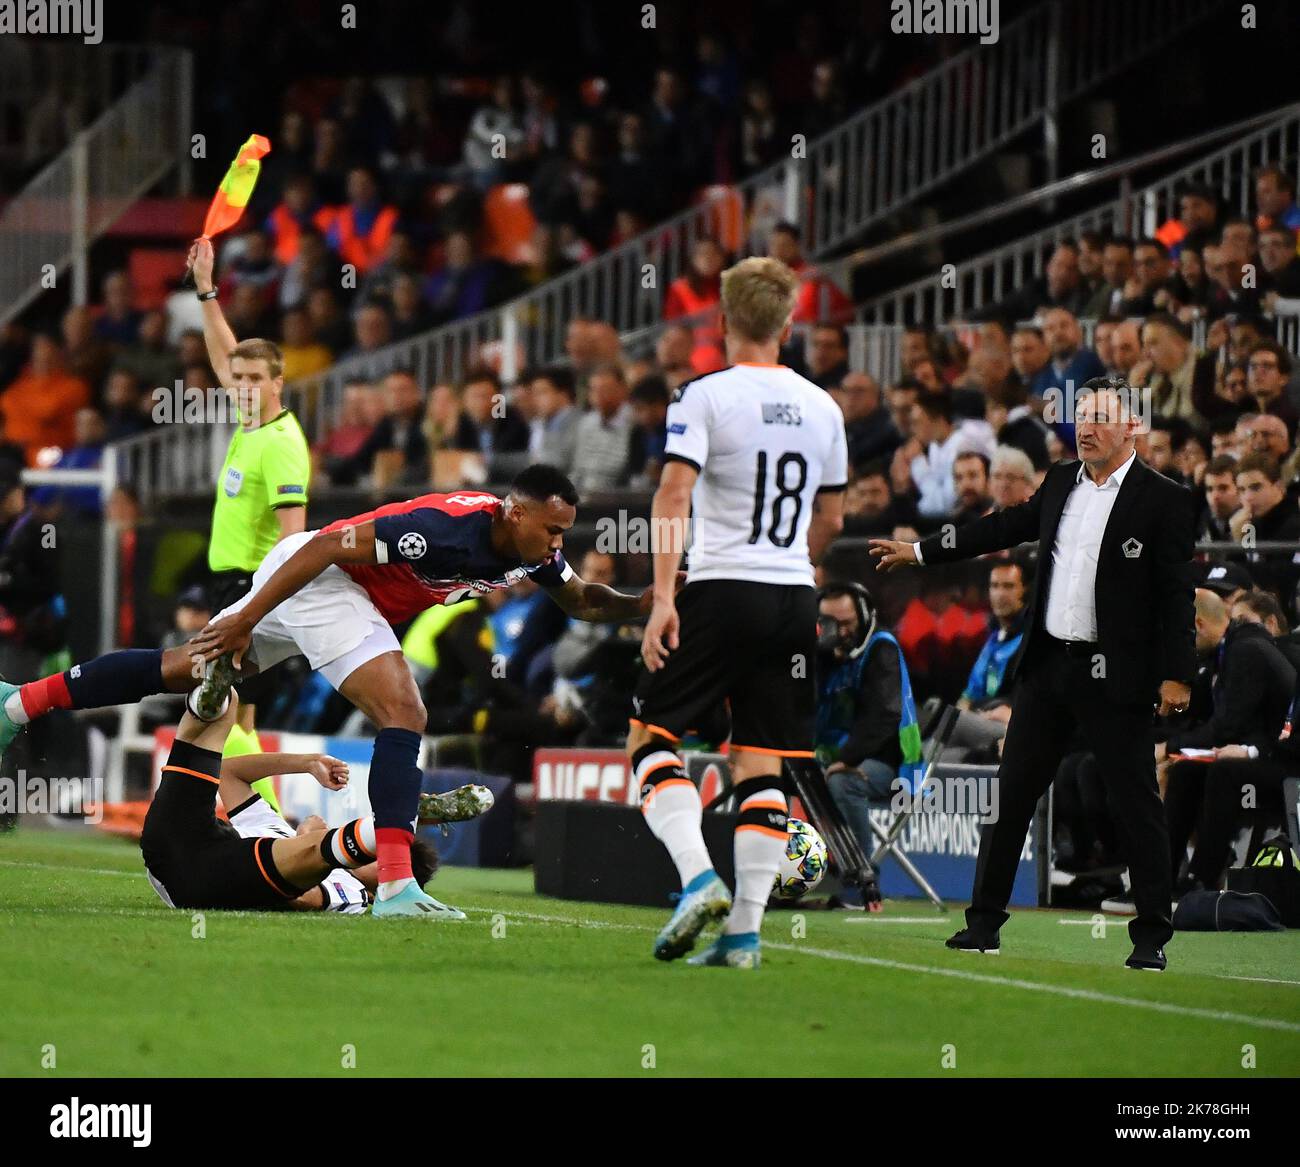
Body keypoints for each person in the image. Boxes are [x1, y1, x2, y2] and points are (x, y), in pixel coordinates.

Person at [0, 465, 661, 920]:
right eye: (551, 528)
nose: (558, 542)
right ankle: (398, 882)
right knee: (405, 709)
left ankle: (18, 703)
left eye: (562, 531)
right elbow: (323, 547)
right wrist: (251, 615)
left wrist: (642, 603)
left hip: (320, 590)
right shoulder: (444, 527)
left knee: (187, 667)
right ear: (514, 512)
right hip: (318, 578)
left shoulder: (533, 549)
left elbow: (579, 598)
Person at [871, 376, 1197, 971]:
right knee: (1009, 796)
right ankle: (983, 925)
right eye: (1080, 416)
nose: (1086, 427)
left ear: (1133, 427)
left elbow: (1178, 598)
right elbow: (997, 528)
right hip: (1048, 671)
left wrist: (1177, 676)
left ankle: (1151, 935)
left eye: (1100, 416)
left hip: (1115, 679)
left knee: (1136, 803)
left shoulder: (1165, 500)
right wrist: (920, 552)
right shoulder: (1060, 481)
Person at [627, 255, 847, 969]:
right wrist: (799, 565)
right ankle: (745, 935)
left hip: (723, 587)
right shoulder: (825, 406)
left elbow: (671, 495)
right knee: (762, 761)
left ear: (720, 323)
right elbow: (834, 515)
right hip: (793, 596)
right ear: (789, 326)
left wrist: (664, 596)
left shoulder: (702, 395)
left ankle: (697, 879)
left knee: (650, 732)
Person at [142, 695, 491, 916]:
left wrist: (305, 841)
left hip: (211, 879)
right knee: (222, 707)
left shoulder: (355, 893)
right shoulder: (275, 827)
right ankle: (207, 680)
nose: (371, 859)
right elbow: (230, 774)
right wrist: (307, 762)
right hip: (172, 845)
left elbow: (305, 898)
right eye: (377, 851)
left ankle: (394, 819)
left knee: (320, 850)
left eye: (378, 858)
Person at [190, 237, 311, 812]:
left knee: (217, 704)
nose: (241, 386)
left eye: (253, 380)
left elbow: (296, 535)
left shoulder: (282, 446)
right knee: (238, 710)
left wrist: (259, 605)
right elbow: (223, 353)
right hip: (236, 586)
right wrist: (207, 290)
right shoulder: (252, 423)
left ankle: (262, 815)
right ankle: (262, 816)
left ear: (277, 383)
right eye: (237, 379)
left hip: (250, 587)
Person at [1161, 589, 1296, 895]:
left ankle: (1203, 878)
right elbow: (1217, 722)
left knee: (1224, 772)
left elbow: (1227, 726)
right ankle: (1161, 879)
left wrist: (1169, 747)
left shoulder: (1246, 650)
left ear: (1197, 624)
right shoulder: (1227, 652)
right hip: (1265, 751)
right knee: (1186, 770)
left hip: (1287, 759)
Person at [816, 582, 924, 908]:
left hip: (888, 762)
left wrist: (847, 759)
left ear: (863, 617)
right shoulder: (822, 653)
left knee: (842, 781)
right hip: (833, 754)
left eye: (846, 623)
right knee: (786, 771)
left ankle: (859, 879)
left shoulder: (882, 649)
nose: (840, 631)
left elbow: (884, 716)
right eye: (831, 624)